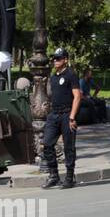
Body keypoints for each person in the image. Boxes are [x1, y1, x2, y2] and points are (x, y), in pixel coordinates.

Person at [41, 48, 81, 189]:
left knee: (68, 147)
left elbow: (77, 96)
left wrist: (72, 117)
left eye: (58, 58)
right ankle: (54, 176)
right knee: (47, 144)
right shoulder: (53, 77)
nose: (55, 61)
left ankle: (69, 177)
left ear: (65, 60)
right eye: (54, 58)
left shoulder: (71, 75)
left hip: (67, 114)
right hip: (54, 114)